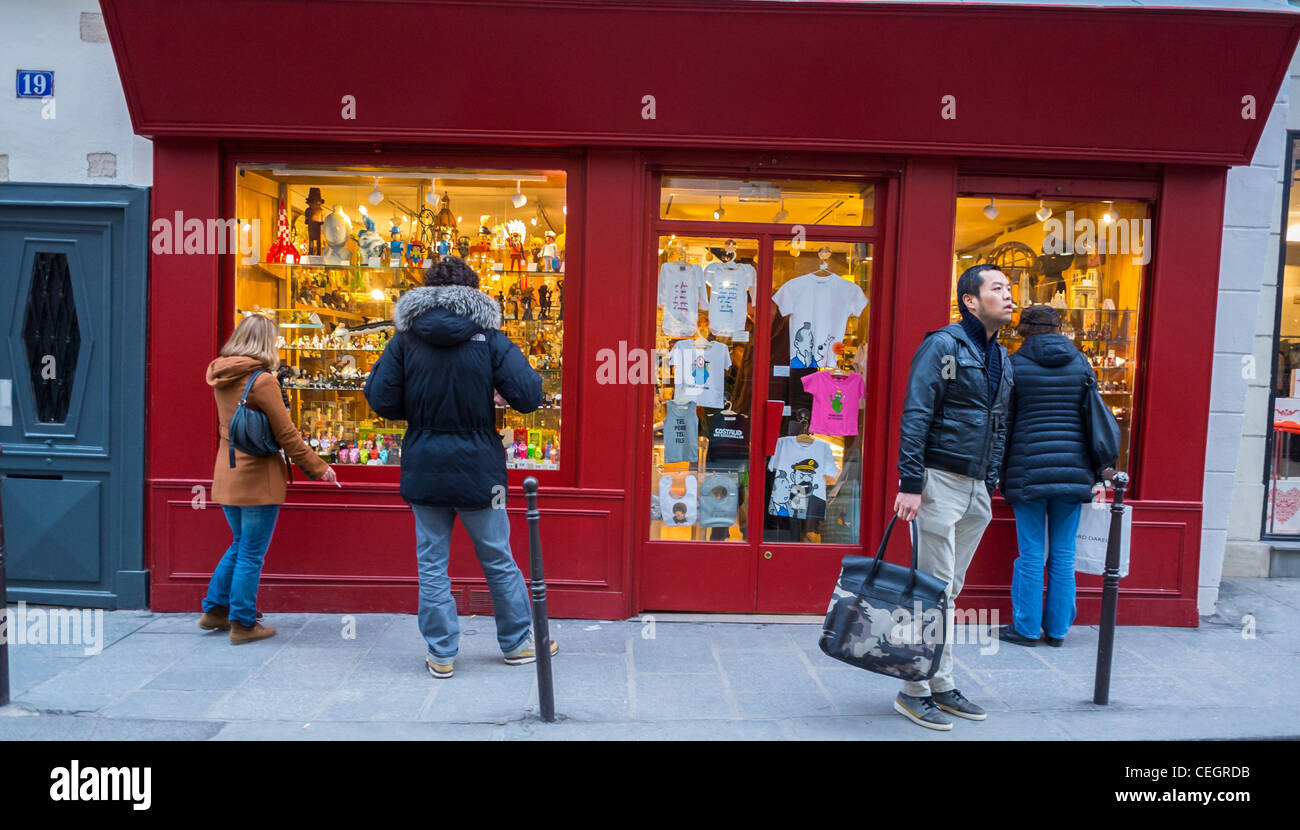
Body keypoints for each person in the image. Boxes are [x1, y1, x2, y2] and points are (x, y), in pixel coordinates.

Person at [364, 256, 554, 679]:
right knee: (499, 558)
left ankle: (442, 652)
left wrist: (418, 404)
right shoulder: (489, 337)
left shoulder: (405, 340)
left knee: (431, 563)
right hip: (482, 470)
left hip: (424, 464)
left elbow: (380, 399)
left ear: (427, 293)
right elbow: (528, 395)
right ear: (474, 292)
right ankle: (518, 643)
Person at [892, 264, 1014, 730]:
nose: (1008, 296)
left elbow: (998, 422)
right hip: (938, 480)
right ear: (970, 300)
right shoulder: (943, 345)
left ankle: (940, 683)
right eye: (997, 288)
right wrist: (911, 483)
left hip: (976, 486)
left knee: (948, 590)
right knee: (933, 590)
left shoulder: (1000, 355)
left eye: (1009, 288)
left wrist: (991, 479)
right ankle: (914, 689)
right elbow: (917, 413)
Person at [201, 312, 338, 644]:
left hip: (228, 471)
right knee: (251, 551)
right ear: (266, 342)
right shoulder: (262, 380)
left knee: (239, 544)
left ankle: (215, 610)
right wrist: (319, 467)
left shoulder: (220, 372)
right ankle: (243, 624)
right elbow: (286, 434)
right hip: (258, 477)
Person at [998, 304, 1098, 648]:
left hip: (1027, 470)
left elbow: (1004, 424)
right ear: (1060, 328)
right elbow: (1092, 418)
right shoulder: (1081, 363)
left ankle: (1025, 628)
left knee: (1030, 553)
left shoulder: (1014, 364)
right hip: (1072, 470)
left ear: (1024, 330)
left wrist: (997, 470)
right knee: (1064, 555)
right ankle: (1057, 630)